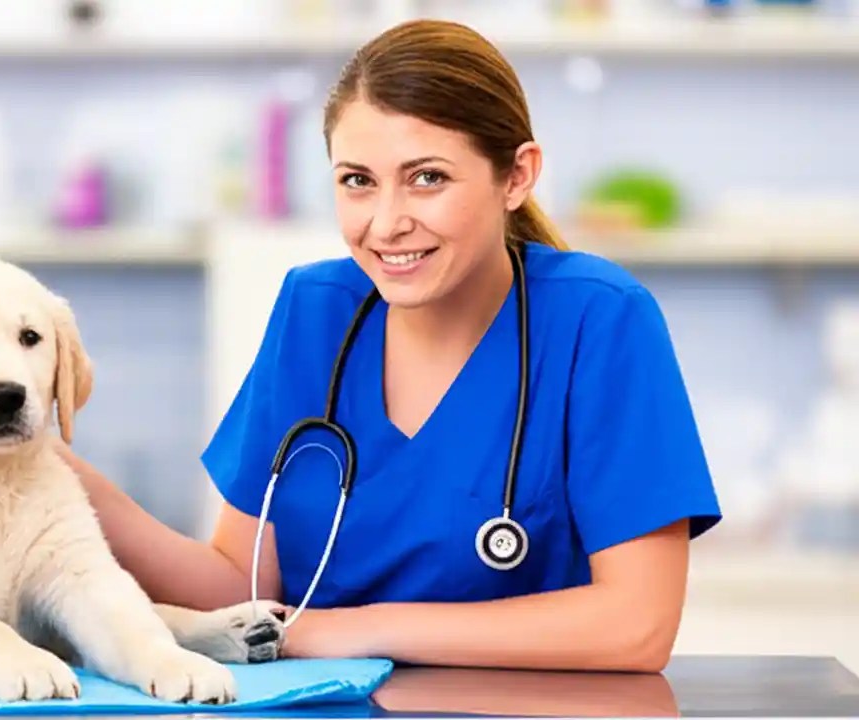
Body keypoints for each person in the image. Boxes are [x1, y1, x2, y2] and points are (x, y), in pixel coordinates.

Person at [52, 18, 722, 673]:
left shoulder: (597, 320)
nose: (387, 223)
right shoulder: (315, 312)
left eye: (428, 177)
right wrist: (56, 474)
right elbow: (241, 592)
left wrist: (359, 630)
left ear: (516, 176)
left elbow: (635, 626)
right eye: (357, 181)